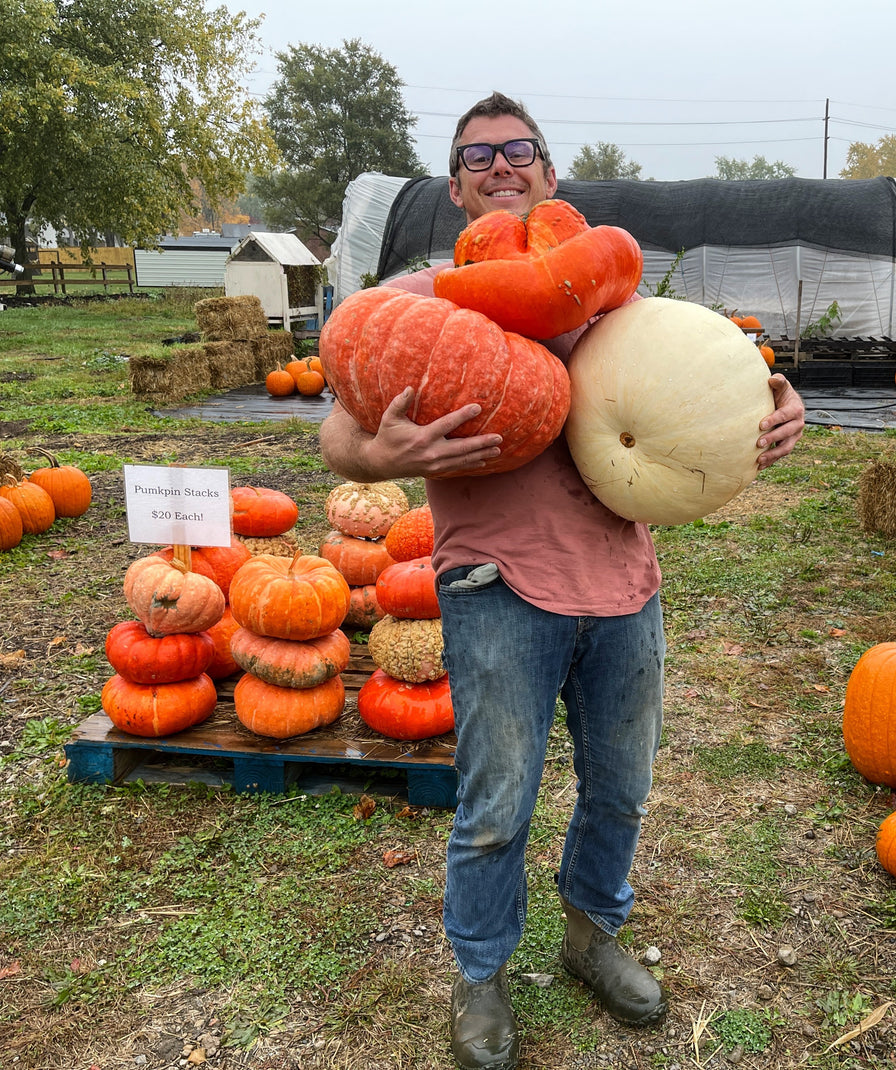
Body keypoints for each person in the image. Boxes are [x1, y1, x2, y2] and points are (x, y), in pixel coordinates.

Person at [320, 91, 806, 1070]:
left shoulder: (609, 291)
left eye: (519, 150)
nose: (501, 165)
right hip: (496, 586)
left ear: (549, 173)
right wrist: (381, 453)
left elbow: (705, 380)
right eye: (478, 156)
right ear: (455, 189)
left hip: (624, 585)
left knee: (620, 788)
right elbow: (335, 432)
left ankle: (591, 936)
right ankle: (482, 973)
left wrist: (769, 408)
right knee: (496, 803)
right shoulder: (422, 299)